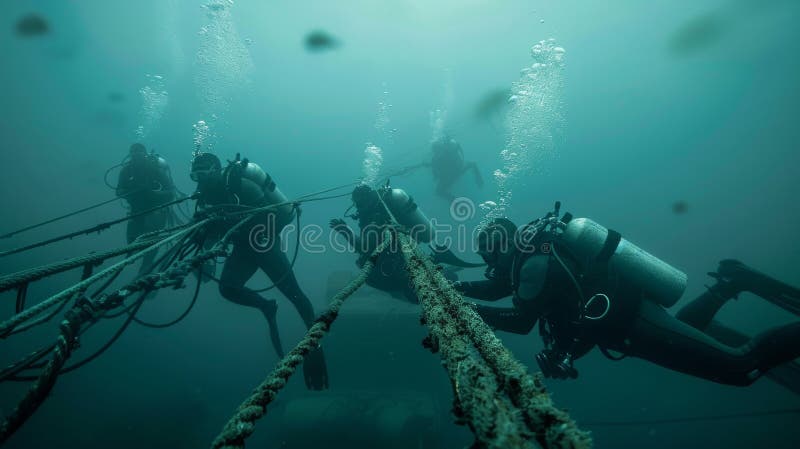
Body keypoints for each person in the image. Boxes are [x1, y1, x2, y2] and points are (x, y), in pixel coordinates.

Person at [454, 202, 800, 387]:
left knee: (741, 368)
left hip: (633, 322)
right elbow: (503, 289)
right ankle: (728, 285)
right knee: (681, 327)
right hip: (628, 322)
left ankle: (732, 285)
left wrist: (460, 308)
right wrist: (457, 288)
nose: (488, 264)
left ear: (502, 246)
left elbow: (521, 321)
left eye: (487, 254)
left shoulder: (531, 266)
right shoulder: (528, 261)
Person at [190, 152, 328, 390]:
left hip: (263, 243)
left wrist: (236, 224)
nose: (199, 180)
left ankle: (315, 344)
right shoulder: (204, 198)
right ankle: (266, 306)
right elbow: (208, 232)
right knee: (227, 289)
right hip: (243, 249)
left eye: (203, 173)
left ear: (215, 170)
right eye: (195, 175)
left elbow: (272, 215)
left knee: (295, 294)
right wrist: (205, 255)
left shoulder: (238, 184)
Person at [329, 184, 470, 303]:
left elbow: (365, 247)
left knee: (413, 293)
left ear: (367, 200)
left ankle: (445, 274)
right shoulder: (373, 215)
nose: (359, 207)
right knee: (402, 290)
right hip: (394, 265)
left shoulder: (377, 217)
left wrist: (345, 230)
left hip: (398, 265)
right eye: (357, 203)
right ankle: (440, 272)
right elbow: (367, 247)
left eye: (360, 203)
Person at [116, 143, 176, 275]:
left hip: (156, 212)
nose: (137, 156)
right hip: (136, 211)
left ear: (145, 154)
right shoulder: (126, 170)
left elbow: (171, 193)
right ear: (130, 155)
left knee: (150, 246)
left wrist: (153, 194)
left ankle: (145, 270)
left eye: (139, 153)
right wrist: (130, 192)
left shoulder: (155, 169)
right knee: (130, 247)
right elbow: (118, 191)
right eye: (134, 153)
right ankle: (128, 264)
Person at [430, 136, 483, 201]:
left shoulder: (448, 152)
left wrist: (478, 176)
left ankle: (455, 201)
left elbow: (470, 164)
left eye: (437, 149)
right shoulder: (434, 159)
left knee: (439, 191)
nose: (437, 151)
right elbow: (435, 173)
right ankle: (455, 201)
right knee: (438, 191)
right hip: (450, 176)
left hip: (456, 172)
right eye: (435, 150)